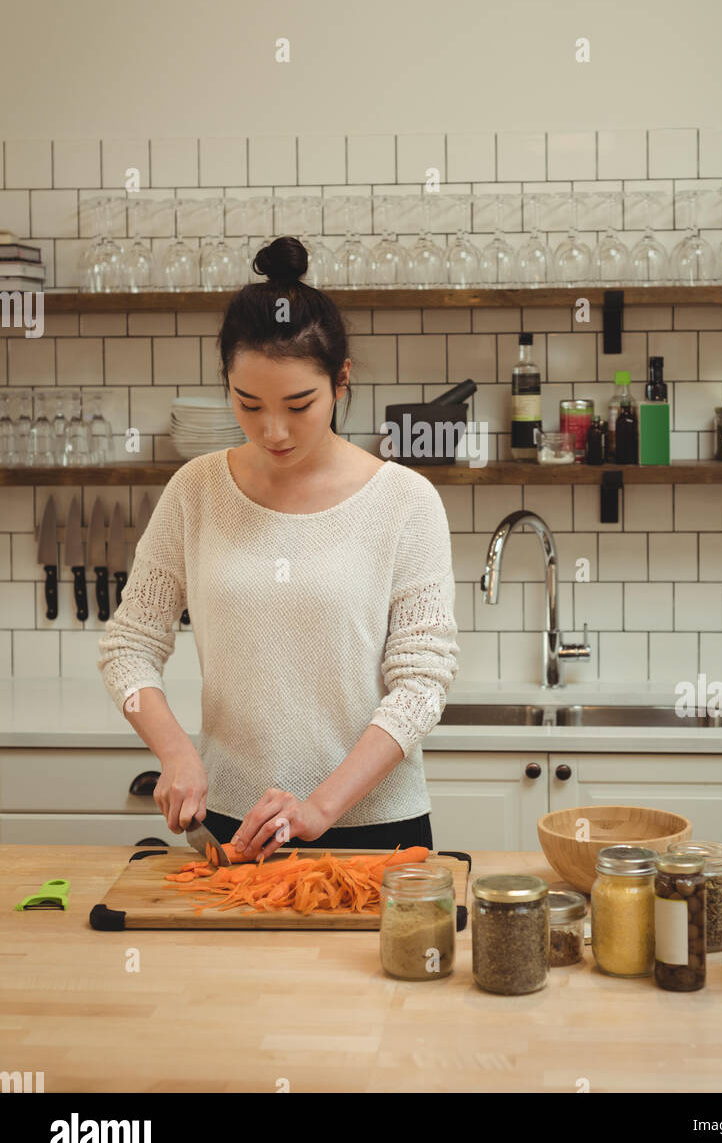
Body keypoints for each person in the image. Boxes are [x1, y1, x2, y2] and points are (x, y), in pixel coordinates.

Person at [97, 235, 460, 859]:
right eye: (248, 403)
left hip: (377, 836)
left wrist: (318, 808)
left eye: (299, 405)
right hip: (232, 830)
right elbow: (128, 647)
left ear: (340, 383)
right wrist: (177, 753)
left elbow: (422, 686)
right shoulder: (196, 491)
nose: (273, 431)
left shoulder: (406, 500)